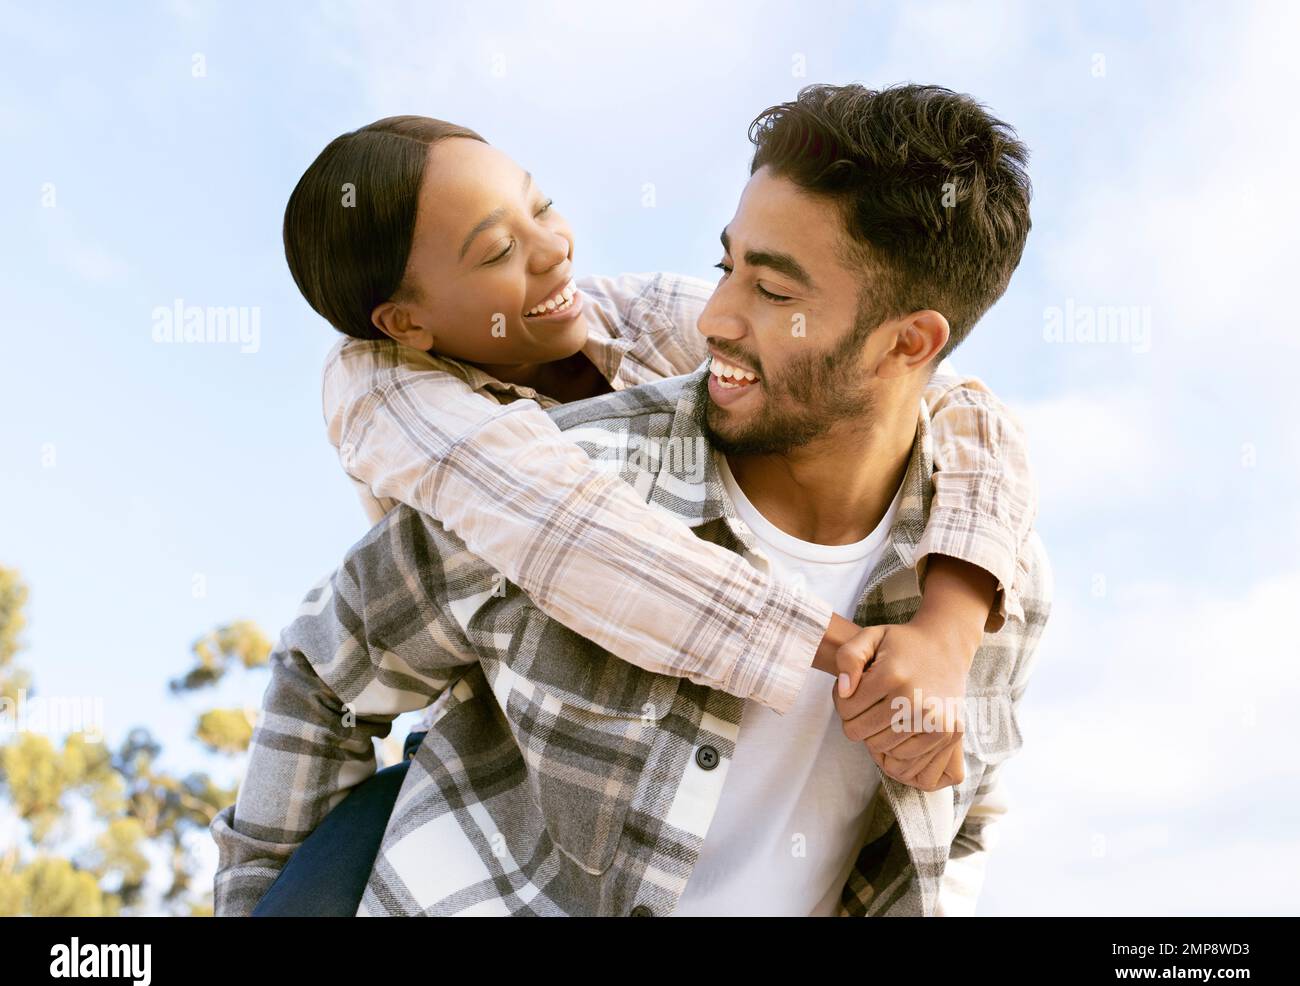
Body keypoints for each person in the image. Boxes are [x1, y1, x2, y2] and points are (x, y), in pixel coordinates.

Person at [212, 82, 1050, 917]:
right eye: (727, 266)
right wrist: (834, 648)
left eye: (770, 289)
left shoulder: (988, 574)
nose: (716, 313)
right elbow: (568, 534)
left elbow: (965, 408)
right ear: (405, 321)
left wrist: (947, 631)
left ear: (909, 340)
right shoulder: (438, 429)